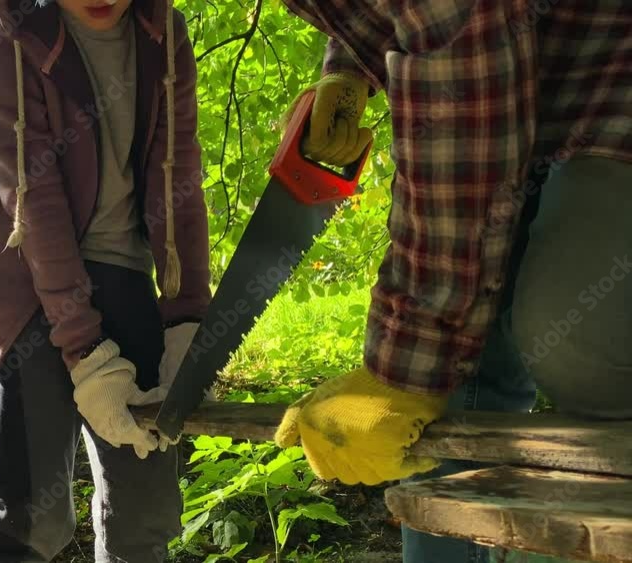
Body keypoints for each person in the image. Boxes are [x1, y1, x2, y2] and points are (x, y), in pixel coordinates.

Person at [270, 1, 631, 562]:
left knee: (583, 339)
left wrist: (404, 364)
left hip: (606, 88)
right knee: (455, 369)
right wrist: (349, 67)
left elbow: (464, 75)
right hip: (540, 77)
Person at [0, 0, 210, 559]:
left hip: (123, 276)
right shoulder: (6, 40)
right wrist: (85, 353)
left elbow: (178, 172)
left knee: (146, 508)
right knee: (26, 520)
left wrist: (187, 319)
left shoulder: (164, 33)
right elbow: (34, 205)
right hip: (21, 282)